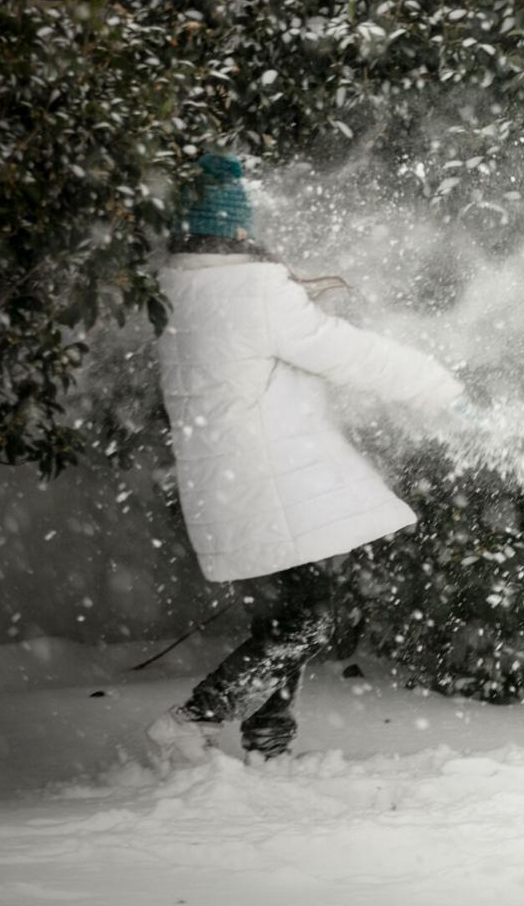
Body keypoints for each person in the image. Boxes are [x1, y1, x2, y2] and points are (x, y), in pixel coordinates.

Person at [146, 152, 479, 767]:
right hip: (268, 492)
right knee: (308, 623)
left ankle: (269, 744)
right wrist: (442, 391)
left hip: (225, 487)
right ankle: (195, 717)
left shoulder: (176, 296)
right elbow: (351, 355)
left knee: (284, 620)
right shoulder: (249, 292)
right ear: (236, 230)